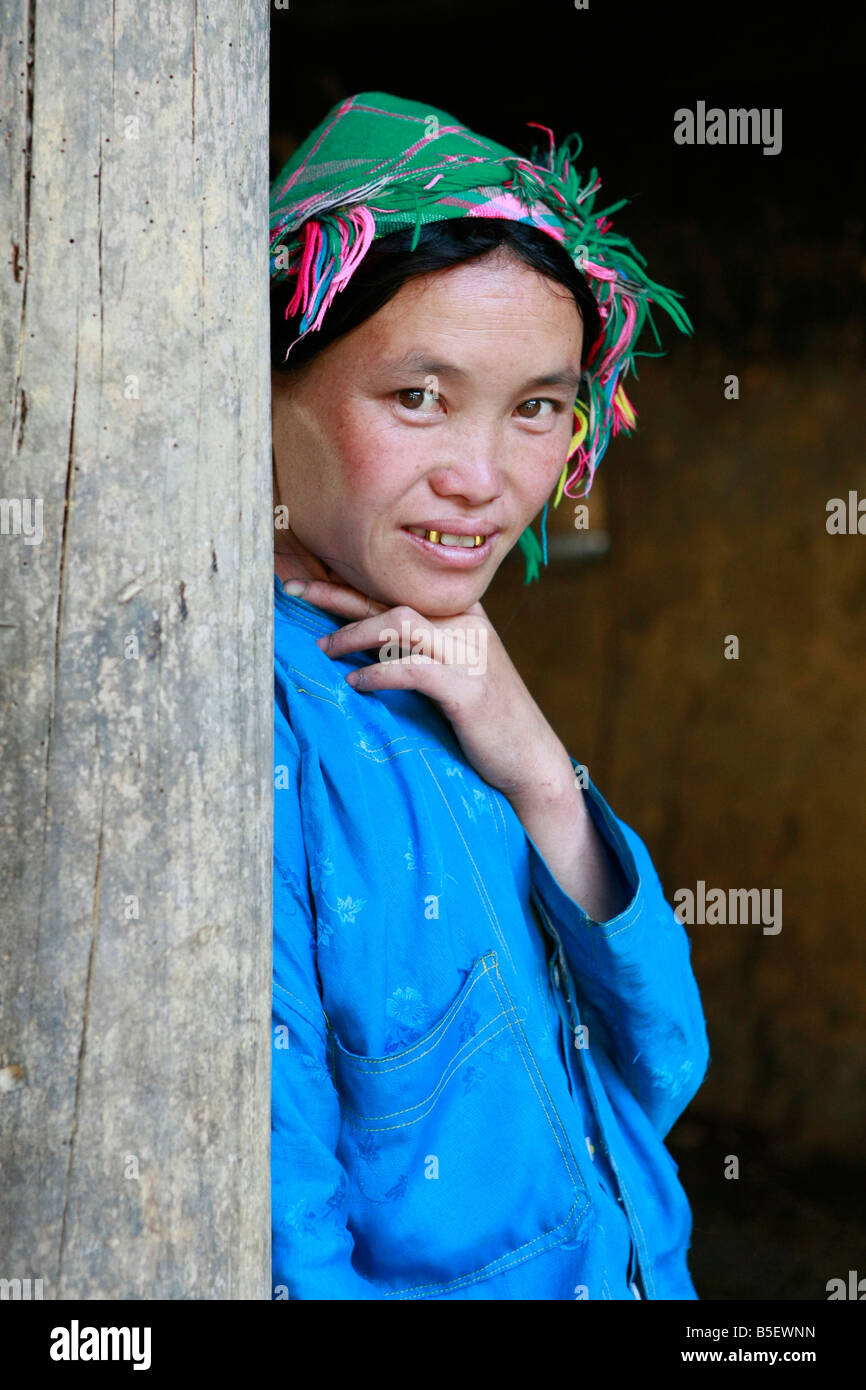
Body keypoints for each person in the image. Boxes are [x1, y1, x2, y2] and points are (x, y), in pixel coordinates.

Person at [269, 91, 710, 1300]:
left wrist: (538, 772)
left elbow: (660, 1068)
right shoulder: (241, 725)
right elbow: (272, 1239)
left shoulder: (459, 678)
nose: (480, 480)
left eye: (536, 408)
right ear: (262, 386)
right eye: (417, 395)